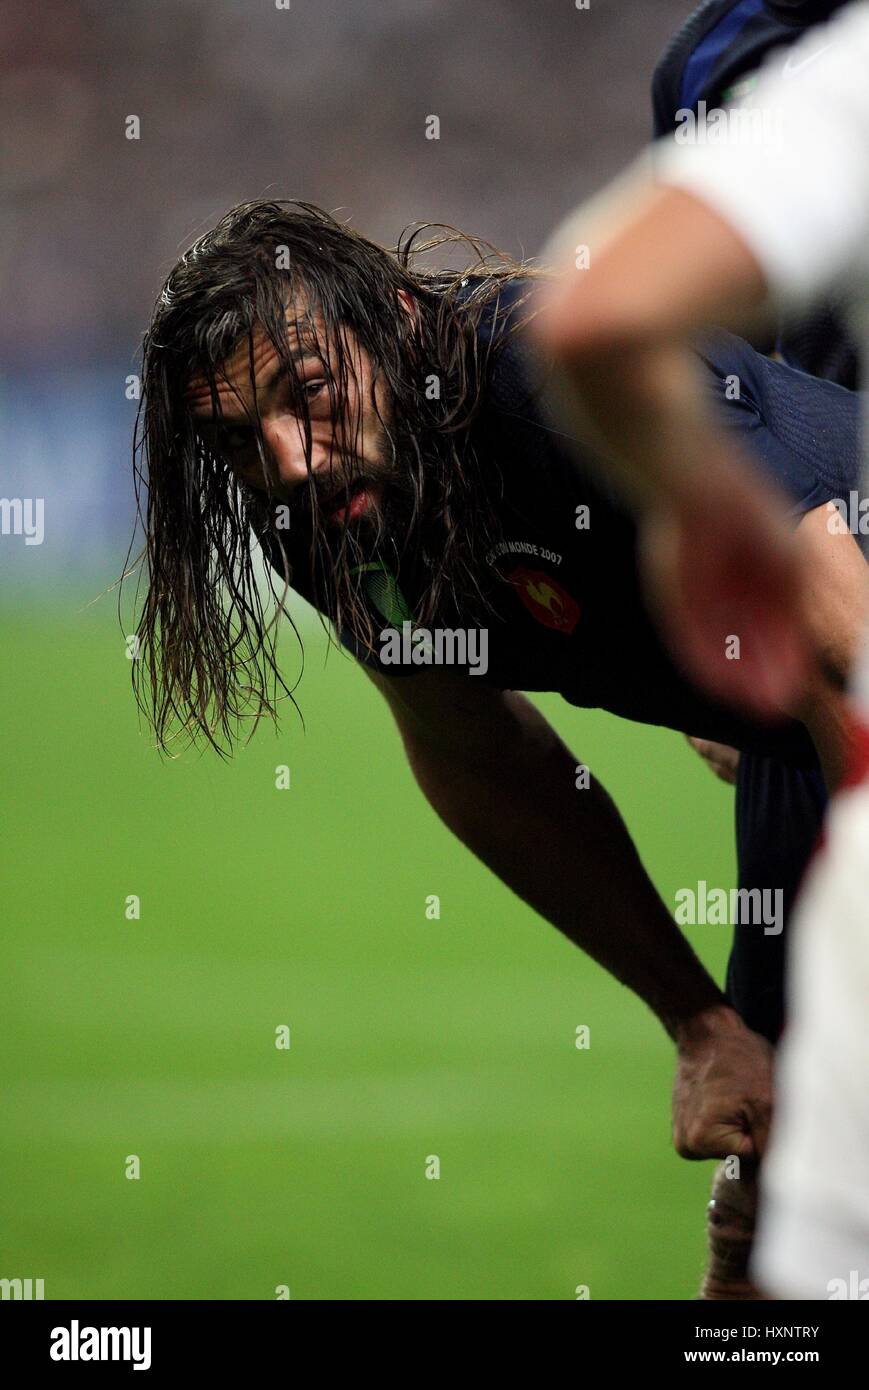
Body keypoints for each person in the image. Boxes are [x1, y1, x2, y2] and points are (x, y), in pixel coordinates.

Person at [131, 199, 859, 1299]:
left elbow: (834, 612)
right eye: (239, 441)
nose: (287, 460)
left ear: (396, 320)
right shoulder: (328, 520)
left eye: (309, 392)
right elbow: (481, 757)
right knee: (765, 1222)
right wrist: (697, 1019)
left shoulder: (549, 378)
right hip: (810, 746)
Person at [532, 0, 869, 1299]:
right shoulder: (712, 62)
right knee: (780, 1141)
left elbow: (602, 315)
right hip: (823, 608)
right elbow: (716, 346)